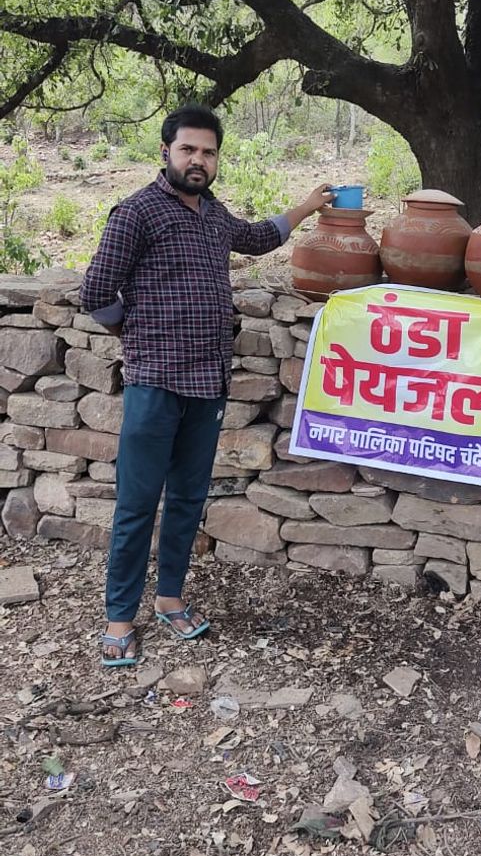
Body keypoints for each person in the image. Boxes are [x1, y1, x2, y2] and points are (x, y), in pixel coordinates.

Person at [80, 103, 333, 667]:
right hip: (154, 382)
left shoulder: (213, 214)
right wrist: (134, 333)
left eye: (208, 152)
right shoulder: (137, 213)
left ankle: (169, 598)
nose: (198, 160)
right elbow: (95, 291)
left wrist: (307, 206)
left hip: (208, 383)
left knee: (188, 498)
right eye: (188, 149)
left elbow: (258, 238)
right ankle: (119, 619)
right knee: (137, 503)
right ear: (166, 152)